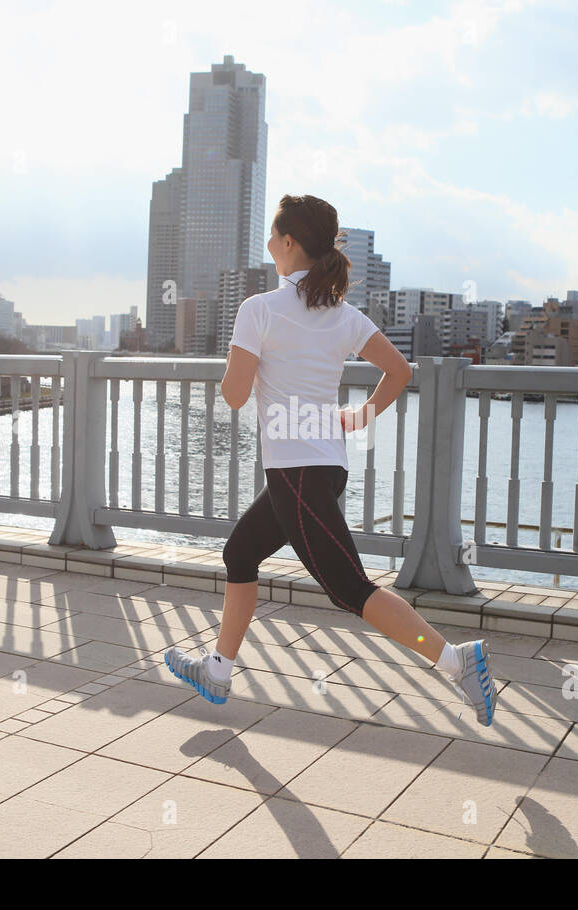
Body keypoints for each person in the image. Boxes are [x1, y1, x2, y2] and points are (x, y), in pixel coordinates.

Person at [164, 193, 497, 725]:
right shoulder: (343, 316)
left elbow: (232, 395)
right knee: (241, 554)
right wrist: (361, 415)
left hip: (296, 475)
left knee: (351, 589)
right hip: (321, 468)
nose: (269, 244)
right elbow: (399, 371)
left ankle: (457, 661)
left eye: (273, 236)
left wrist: (236, 357)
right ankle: (220, 670)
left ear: (290, 242)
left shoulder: (259, 309)